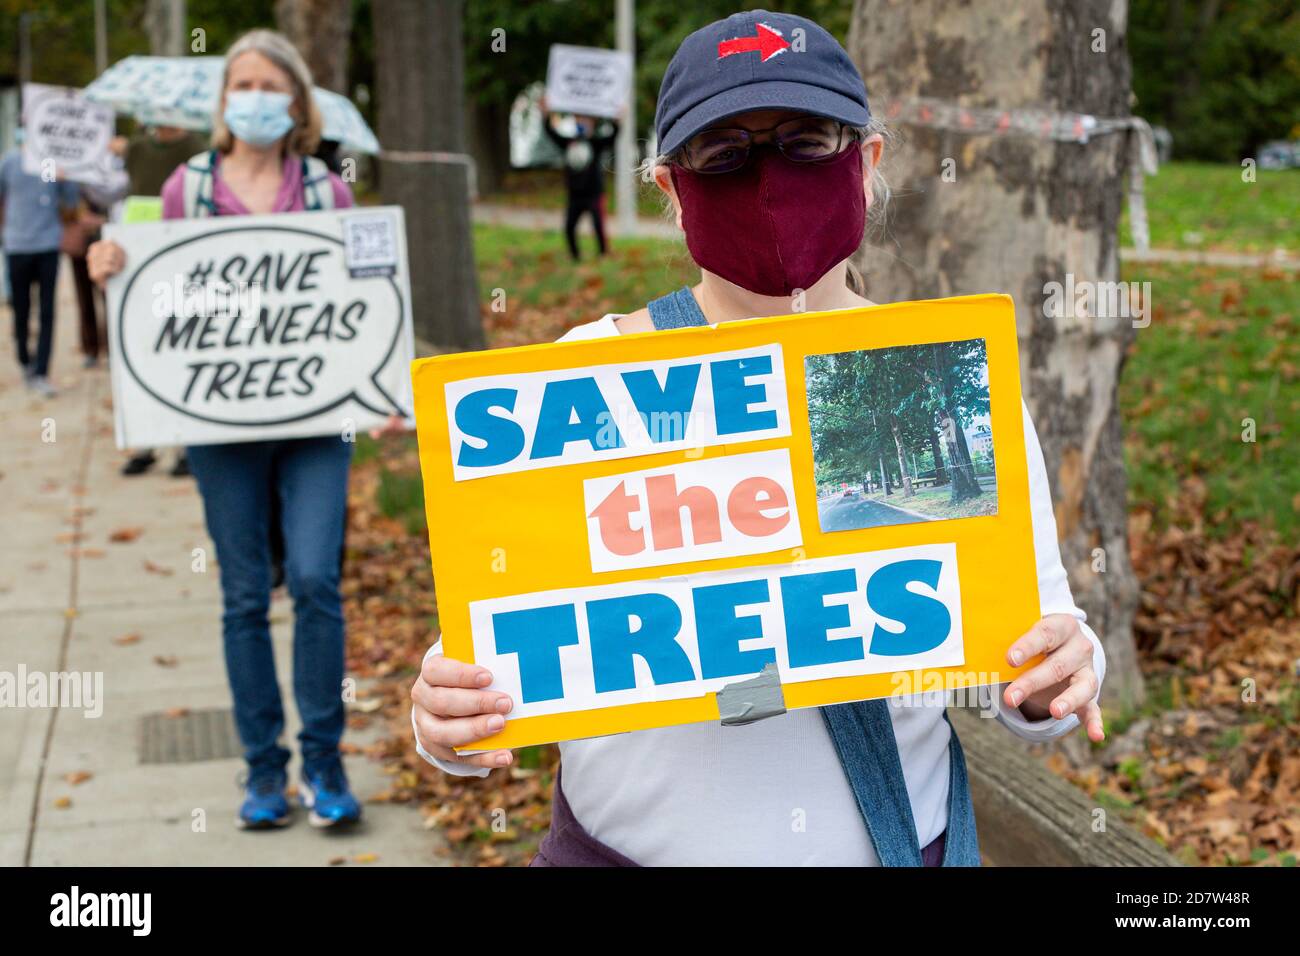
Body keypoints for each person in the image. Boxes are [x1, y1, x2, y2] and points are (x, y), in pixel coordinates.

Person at [410, 10, 1107, 867]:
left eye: (805, 142)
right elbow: (501, 635)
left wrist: (1060, 675)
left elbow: (1029, 653)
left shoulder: (948, 376)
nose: (769, 177)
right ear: (671, 187)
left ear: (867, 160)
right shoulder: (582, 380)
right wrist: (444, 716)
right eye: (724, 153)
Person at [89, 29, 364, 831]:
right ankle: (262, 772)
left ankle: (325, 760)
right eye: (241, 83)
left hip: (316, 421)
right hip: (219, 425)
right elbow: (158, 295)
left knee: (315, 580)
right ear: (223, 102)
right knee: (244, 595)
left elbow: (361, 298)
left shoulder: (326, 191)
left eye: (270, 85)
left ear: (297, 102)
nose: (255, 97)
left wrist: (377, 382)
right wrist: (114, 265)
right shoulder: (186, 187)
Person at [118, 125, 209, 477]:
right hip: (141, 253)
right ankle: (148, 441)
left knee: (184, 350)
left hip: (186, 261)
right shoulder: (136, 149)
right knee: (148, 349)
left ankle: (187, 445)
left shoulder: (197, 151)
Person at [0, 132, 81, 398]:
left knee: (47, 311)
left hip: (47, 246)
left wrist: (66, 178)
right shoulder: (10, 162)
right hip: (16, 246)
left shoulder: (53, 164)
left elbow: (70, 205)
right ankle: (25, 360)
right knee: (21, 309)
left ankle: (42, 370)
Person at [542, 98, 619, 261]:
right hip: (575, 195)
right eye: (578, 119)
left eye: (585, 120)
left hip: (594, 194)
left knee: (599, 227)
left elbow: (614, 135)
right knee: (569, 228)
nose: (582, 122)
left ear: (592, 123)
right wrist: (546, 115)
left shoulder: (595, 143)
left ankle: (603, 254)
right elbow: (550, 132)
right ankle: (575, 256)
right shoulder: (568, 142)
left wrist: (615, 120)